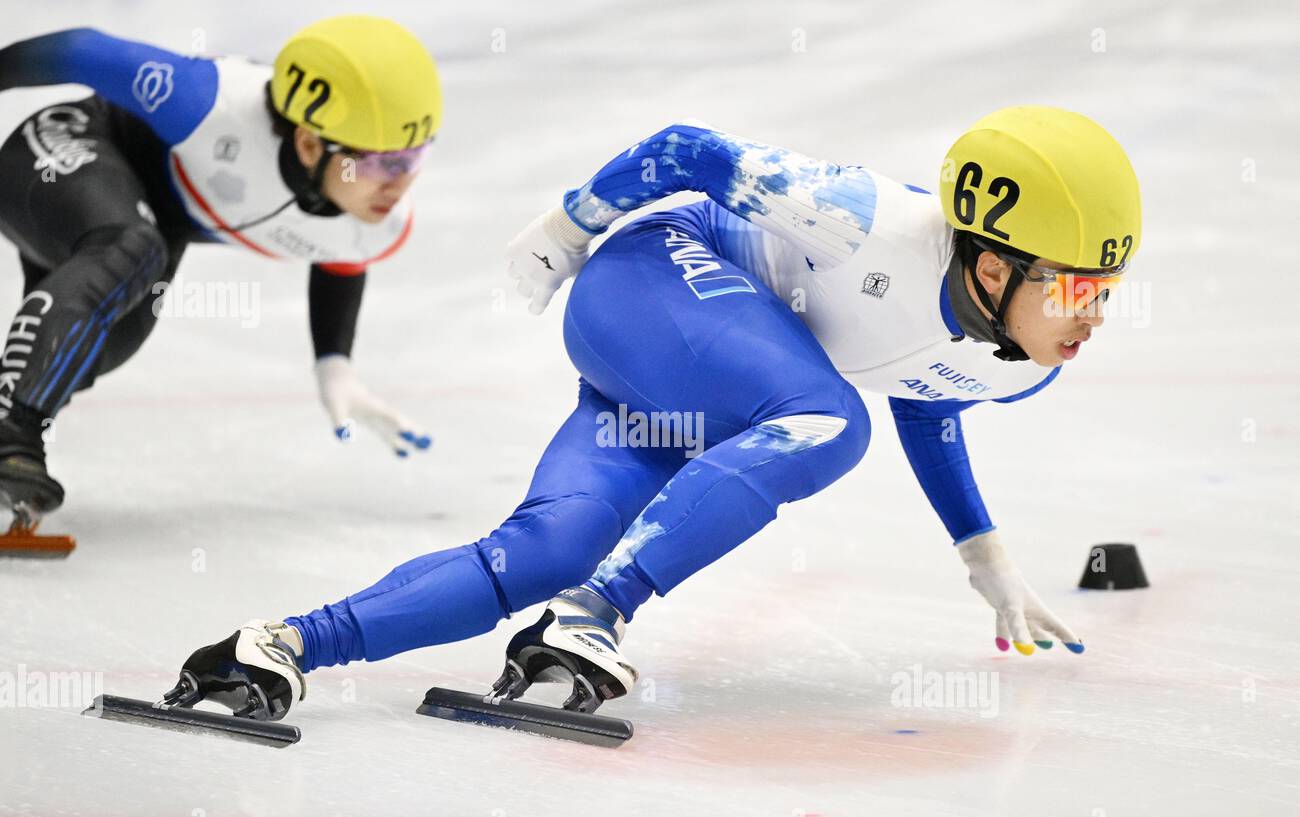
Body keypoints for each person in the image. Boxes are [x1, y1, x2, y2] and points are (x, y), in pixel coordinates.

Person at [172, 106, 1141, 723]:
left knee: (549, 546)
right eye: (1079, 288)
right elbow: (686, 150)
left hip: (690, 385)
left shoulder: (1024, 363)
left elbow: (934, 391)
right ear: (988, 263)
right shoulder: (859, 217)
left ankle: (281, 645)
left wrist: (983, 550)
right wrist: (563, 231)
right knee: (828, 419)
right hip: (653, 279)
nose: (1095, 315)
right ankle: (598, 613)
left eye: (1106, 290)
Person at [0, 16, 440, 546]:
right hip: (67, 150)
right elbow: (78, 49)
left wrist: (335, 366)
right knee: (131, 249)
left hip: (143, 221)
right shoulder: (207, 104)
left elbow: (340, 257)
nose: (400, 182)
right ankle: (11, 433)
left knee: (108, 344)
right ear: (307, 145)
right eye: (380, 161)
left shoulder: (376, 223)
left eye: (416, 156)